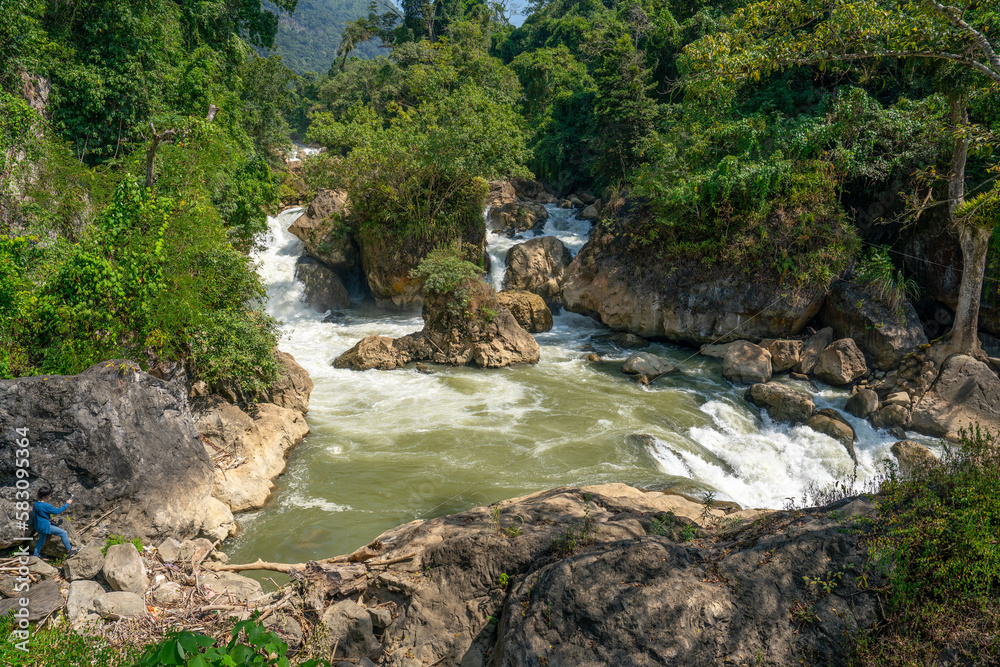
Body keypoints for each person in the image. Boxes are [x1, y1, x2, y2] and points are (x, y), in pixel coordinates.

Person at [33, 487, 80, 558]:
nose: (49, 496)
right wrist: (67, 504)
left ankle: (35, 556)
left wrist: (48, 518)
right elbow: (57, 511)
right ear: (45, 496)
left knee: (41, 541)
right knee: (63, 533)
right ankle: (69, 550)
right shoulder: (46, 505)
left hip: (38, 526)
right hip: (45, 526)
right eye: (48, 495)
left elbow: (39, 514)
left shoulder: (36, 504)